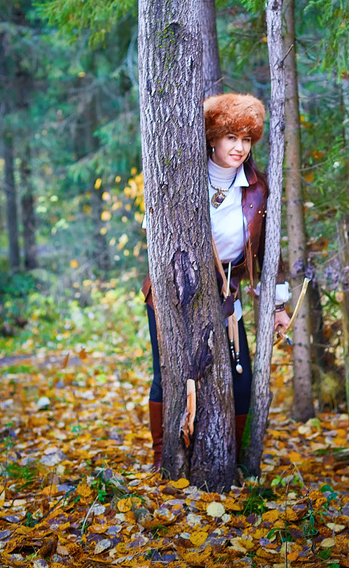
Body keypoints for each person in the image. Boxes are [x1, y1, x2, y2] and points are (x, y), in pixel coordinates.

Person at [141, 93, 291, 471]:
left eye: (246, 139)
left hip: (225, 295)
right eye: (230, 138)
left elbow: (269, 251)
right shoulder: (182, 179)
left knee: (239, 381)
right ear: (212, 138)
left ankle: (235, 462)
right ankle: (165, 460)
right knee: (170, 375)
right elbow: (155, 234)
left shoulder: (258, 188)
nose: (239, 148)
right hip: (173, 292)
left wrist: (277, 305)